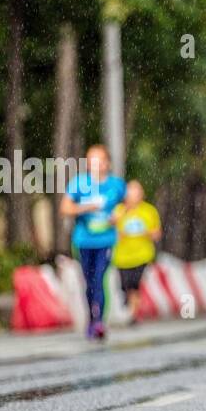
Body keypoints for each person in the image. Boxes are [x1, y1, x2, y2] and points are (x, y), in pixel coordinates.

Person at [60, 144, 126, 340]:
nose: (95, 164)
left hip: (106, 240)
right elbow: (65, 208)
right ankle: (91, 317)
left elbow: (127, 205)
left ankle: (99, 322)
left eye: (99, 160)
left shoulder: (116, 185)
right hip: (83, 241)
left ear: (107, 163)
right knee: (88, 283)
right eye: (91, 160)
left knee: (99, 278)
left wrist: (118, 214)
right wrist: (87, 207)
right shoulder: (79, 184)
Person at [111, 180, 162, 325]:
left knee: (135, 283)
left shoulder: (149, 211)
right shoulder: (119, 210)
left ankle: (133, 315)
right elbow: (110, 227)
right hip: (122, 256)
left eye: (137, 192)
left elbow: (157, 233)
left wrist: (145, 232)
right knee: (125, 285)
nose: (134, 196)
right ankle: (128, 301)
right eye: (131, 192)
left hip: (142, 255)